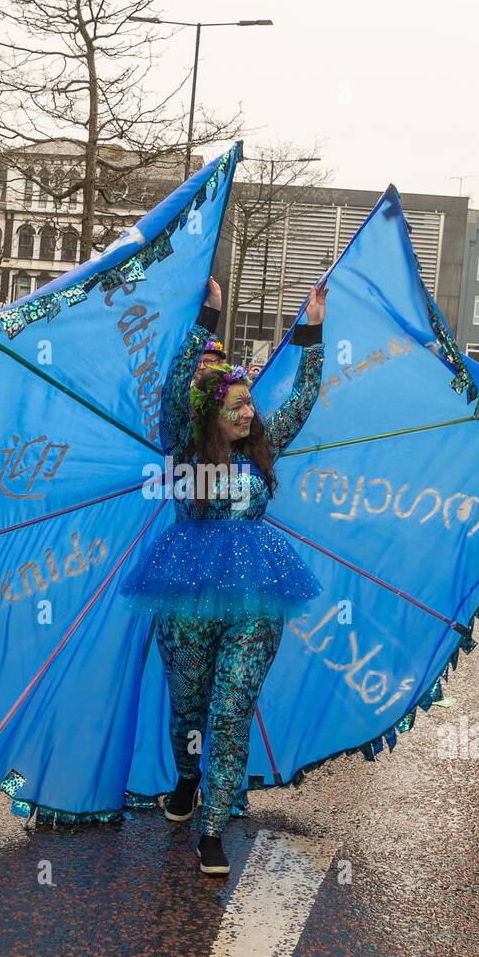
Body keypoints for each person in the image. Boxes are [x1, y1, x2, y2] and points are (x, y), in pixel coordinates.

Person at [120, 276, 327, 876]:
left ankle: (214, 824)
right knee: (189, 705)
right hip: (185, 590)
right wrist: (207, 316)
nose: (248, 411)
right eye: (235, 405)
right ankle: (186, 780)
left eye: (250, 403)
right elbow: (172, 394)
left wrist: (310, 327)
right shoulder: (184, 446)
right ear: (209, 412)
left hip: (258, 594)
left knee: (232, 706)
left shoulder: (264, 446)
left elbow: (304, 397)